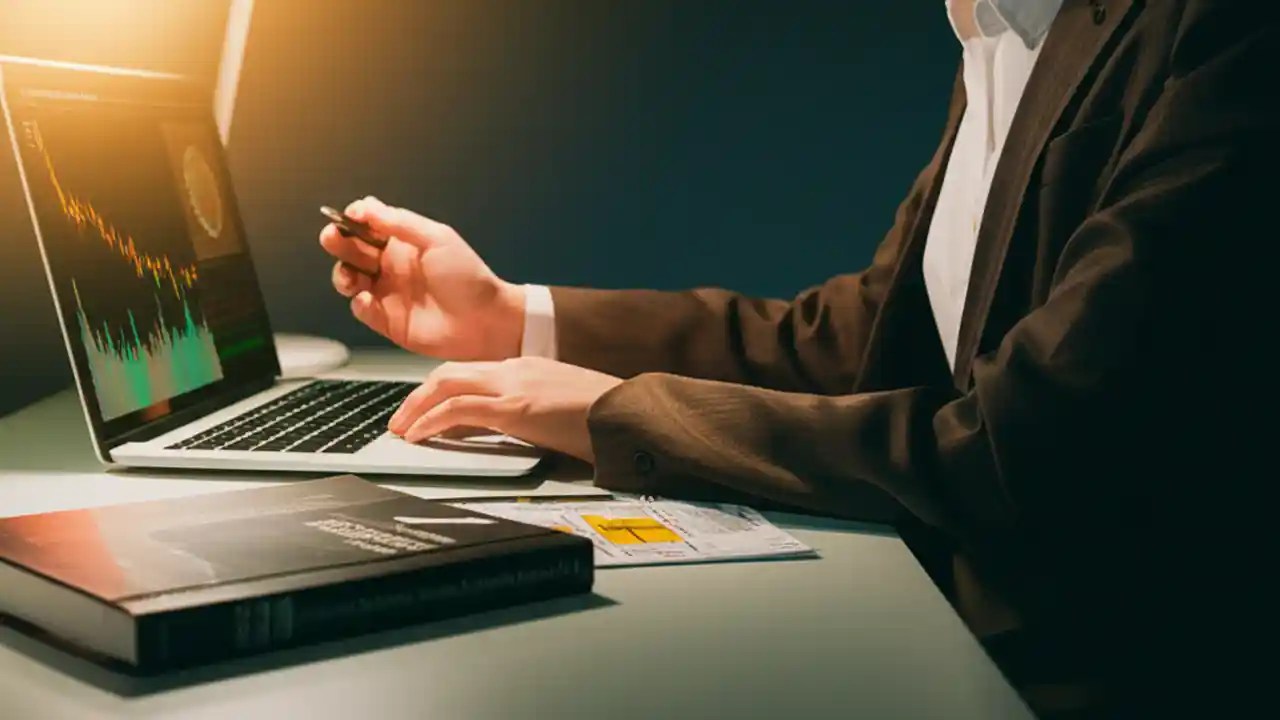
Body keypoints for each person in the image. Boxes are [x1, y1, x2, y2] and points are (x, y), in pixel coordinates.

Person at [318, 1, 1274, 716]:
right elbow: (855, 342)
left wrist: (621, 411)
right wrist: (509, 315)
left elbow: (1022, 444)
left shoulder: (1219, 29)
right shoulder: (1001, 35)